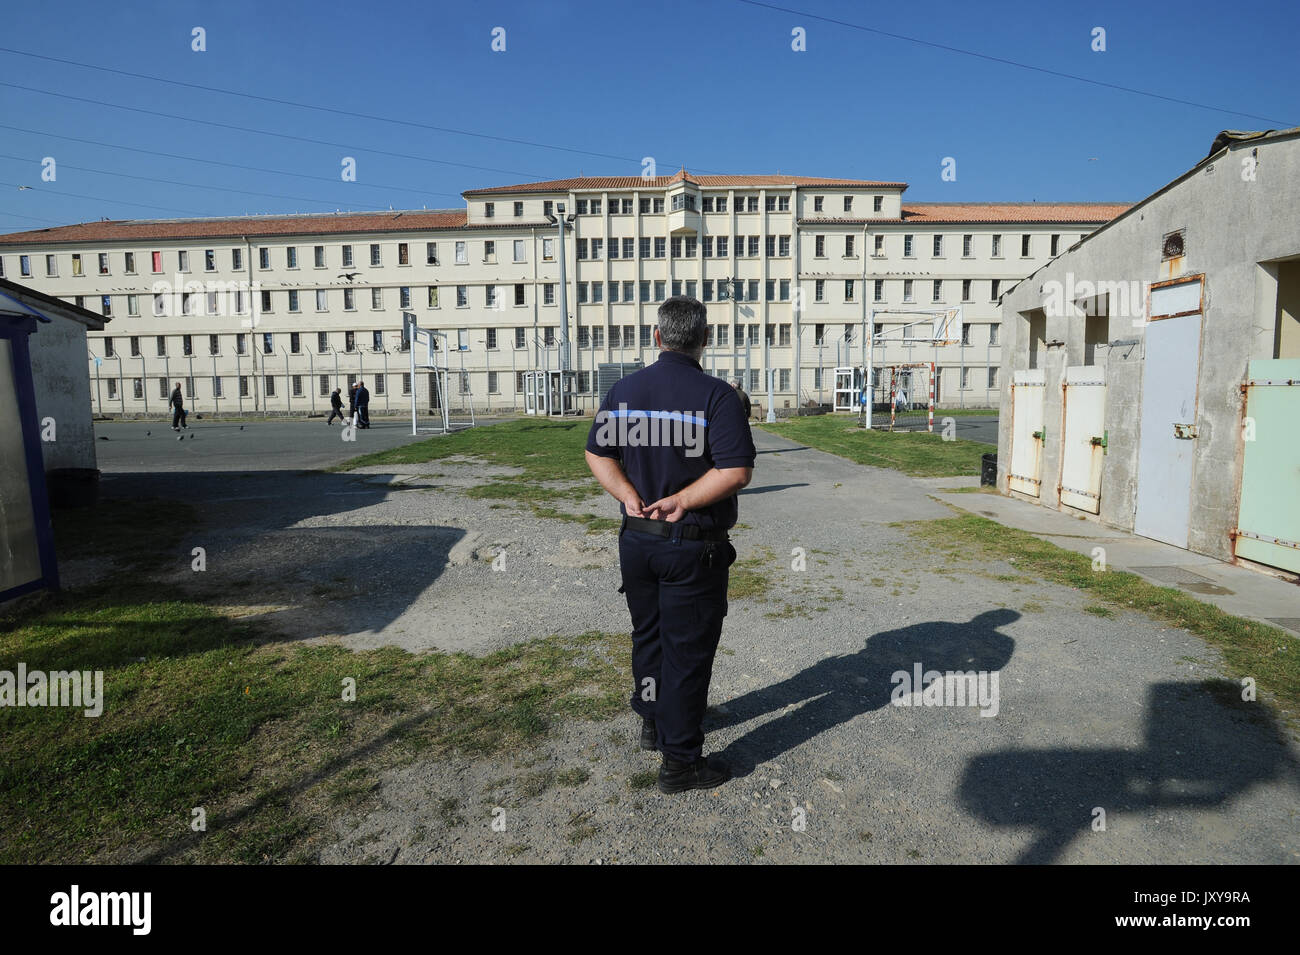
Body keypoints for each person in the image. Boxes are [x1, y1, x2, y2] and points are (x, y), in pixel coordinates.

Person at [585, 296, 756, 794]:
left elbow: (597, 455)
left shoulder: (624, 391)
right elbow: (736, 471)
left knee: (650, 636)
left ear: (657, 337)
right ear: (705, 340)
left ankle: (654, 721)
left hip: (638, 540)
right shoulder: (717, 396)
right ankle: (680, 763)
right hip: (691, 544)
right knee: (687, 651)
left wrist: (630, 497)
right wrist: (682, 499)